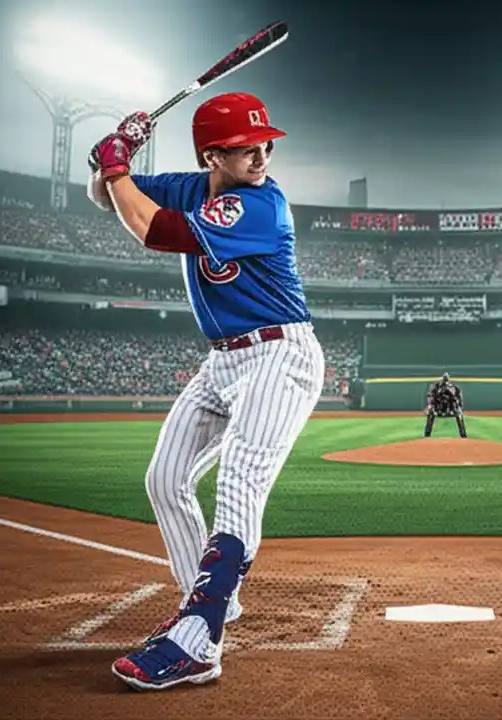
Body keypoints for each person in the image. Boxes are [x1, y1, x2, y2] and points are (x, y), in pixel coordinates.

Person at [86, 92, 324, 691]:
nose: (263, 153)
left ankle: (198, 637)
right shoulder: (192, 185)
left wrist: (116, 166)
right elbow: (107, 195)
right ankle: (215, 602)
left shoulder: (263, 204)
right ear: (212, 154)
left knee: (241, 478)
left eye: (266, 142)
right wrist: (114, 155)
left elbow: (151, 228)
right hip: (222, 362)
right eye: (247, 147)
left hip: (280, 354)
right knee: (164, 479)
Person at [424, 372, 467, 438]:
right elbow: (430, 396)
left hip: (451, 409)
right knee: (430, 413)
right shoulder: (436, 387)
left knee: (459, 413)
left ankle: (463, 435)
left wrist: (457, 404)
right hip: (439, 409)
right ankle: (427, 434)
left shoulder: (454, 388)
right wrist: (430, 405)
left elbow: (459, 400)